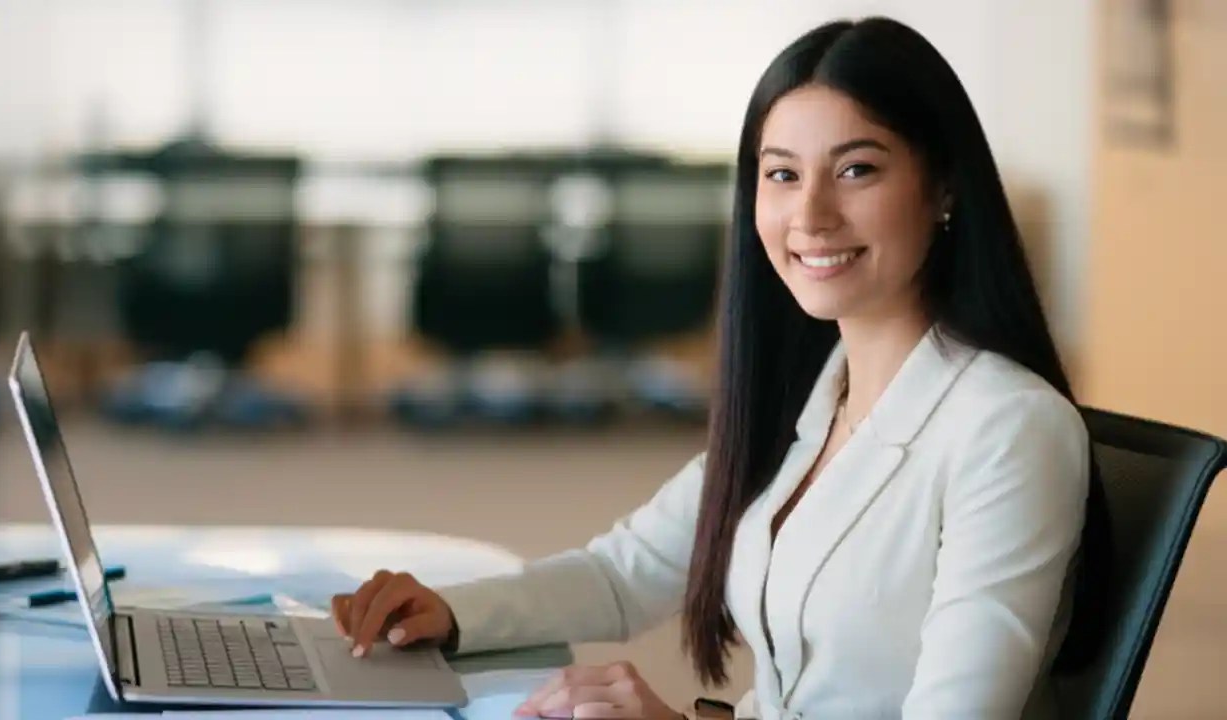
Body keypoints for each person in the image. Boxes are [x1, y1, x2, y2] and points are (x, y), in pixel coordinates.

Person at [331, 16, 1109, 720]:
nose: (810, 216)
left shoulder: (1008, 428)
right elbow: (624, 574)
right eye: (782, 174)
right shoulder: (812, 397)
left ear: (943, 187)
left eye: (855, 170)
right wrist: (448, 613)